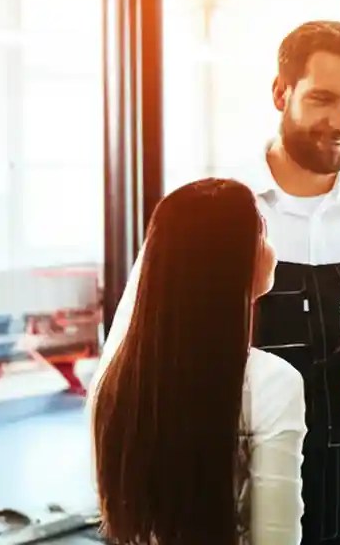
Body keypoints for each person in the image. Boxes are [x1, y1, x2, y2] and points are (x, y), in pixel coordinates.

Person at [95, 20, 340, 545]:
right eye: (322, 99)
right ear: (279, 93)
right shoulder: (211, 214)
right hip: (226, 515)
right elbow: (127, 365)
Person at [90, 178, 307, 545]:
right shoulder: (272, 382)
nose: (272, 249)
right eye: (262, 233)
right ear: (234, 260)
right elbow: (276, 537)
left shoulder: (116, 379)